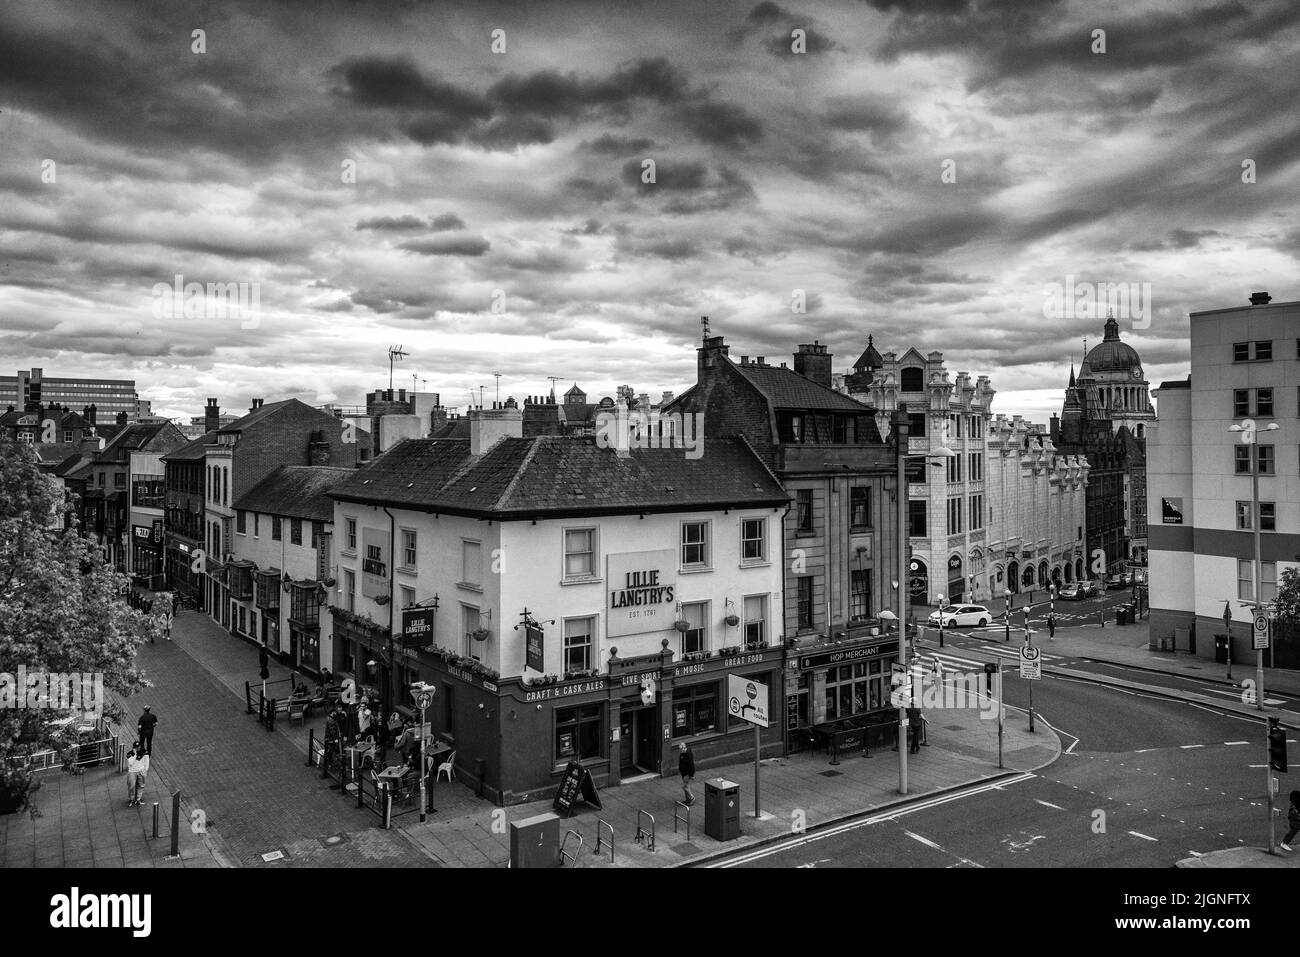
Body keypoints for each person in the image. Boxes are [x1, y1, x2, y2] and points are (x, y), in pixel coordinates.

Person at [126, 743, 149, 807]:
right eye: (136, 747)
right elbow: (131, 763)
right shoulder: (129, 754)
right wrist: (135, 754)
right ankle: (131, 799)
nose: (137, 748)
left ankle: (138, 799)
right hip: (132, 771)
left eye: (138, 747)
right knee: (131, 786)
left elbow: (147, 760)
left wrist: (145, 769)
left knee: (141, 785)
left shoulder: (145, 752)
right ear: (133, 748)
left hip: (141, 771)